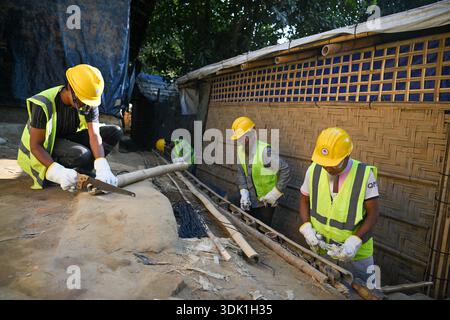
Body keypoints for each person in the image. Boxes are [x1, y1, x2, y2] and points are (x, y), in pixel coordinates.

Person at [17, 64, 122, 191]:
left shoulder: (88, 100)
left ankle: (83, 171)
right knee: (82, 154)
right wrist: (57, 172)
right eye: (82, 101)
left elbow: (94, 135)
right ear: (70, 88)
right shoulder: (44, 103)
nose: (85, 106)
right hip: (46, 146)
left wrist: (102, 165)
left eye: (88, 102)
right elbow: (35, 146)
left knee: (114, 132)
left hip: (69, 138)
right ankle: (67, 171)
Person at [299, 127, 379, 281]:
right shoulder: (314, 170)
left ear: (347, 155)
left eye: (333, 164)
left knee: (365, 292)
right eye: (324, 164)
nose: (328, 168)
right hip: (323, 250)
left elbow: (373, 214)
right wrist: (306, 227)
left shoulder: (364, 175)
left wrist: (355, 241)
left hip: (357, 255)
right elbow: (303, 199)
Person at [230, 116, 290, 227]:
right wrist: (244, 192)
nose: (240, 142)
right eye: (238, 139)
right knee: (247, 226)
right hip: (250, 198)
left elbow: (285, 170)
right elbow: (241, 172)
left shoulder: (265, 151)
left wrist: (275, 193)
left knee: (263, 228)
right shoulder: (240, 150)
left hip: (266, 202)